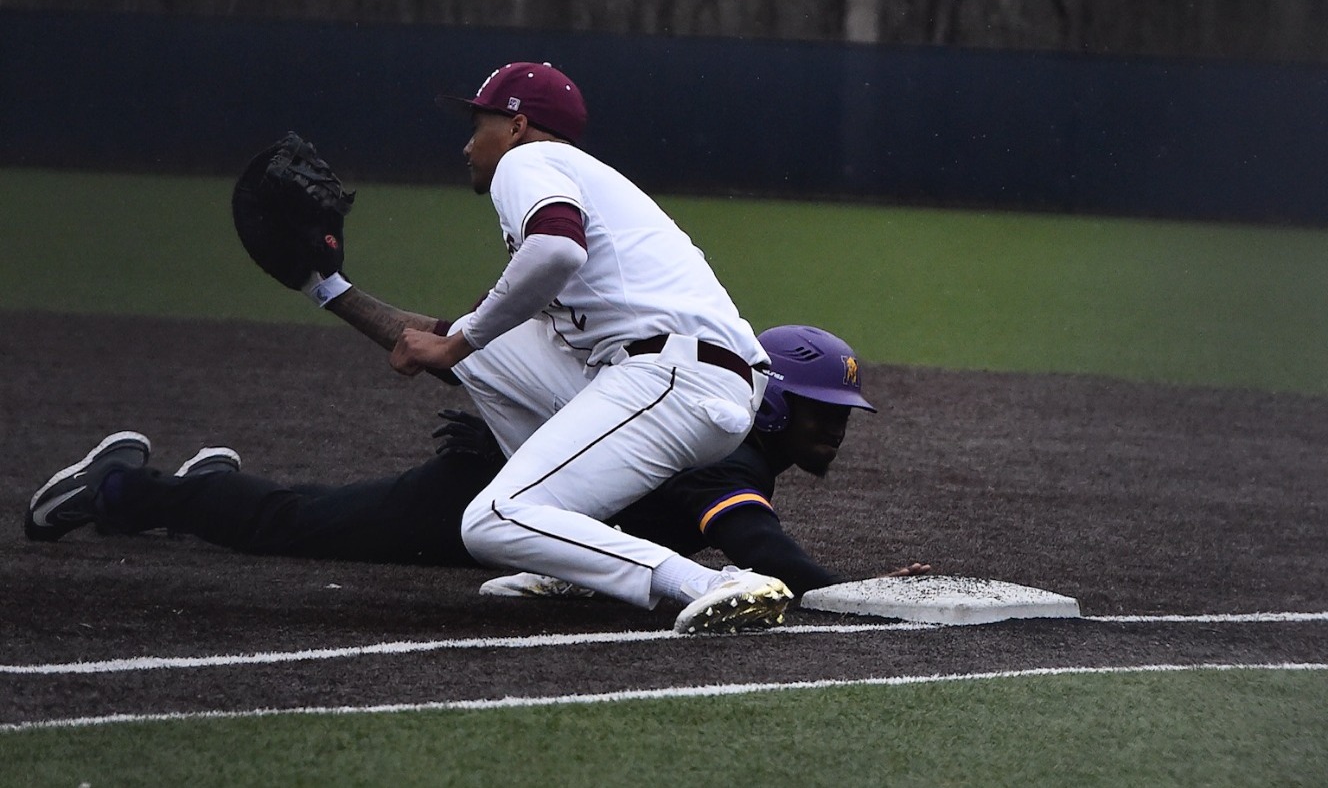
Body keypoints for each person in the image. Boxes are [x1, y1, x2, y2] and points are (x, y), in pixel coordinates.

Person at [24, 326, 928, 611]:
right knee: (298, 525)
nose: (834, 432)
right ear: (774, 402)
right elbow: (756, 544)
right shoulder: (729, 445)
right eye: (820, 413)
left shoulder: (725, 432)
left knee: (303, 514)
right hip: (483, 493)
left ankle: (198, 493)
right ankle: (121, 490)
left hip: (519, 490)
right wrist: (855, 590)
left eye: (839, 417)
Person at [367, 60, 786, 633]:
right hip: (694, 375)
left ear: (516, 125)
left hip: (673, 376)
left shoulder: (528, 160)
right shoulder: (575, 171)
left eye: (479, 124)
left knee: (490, 521)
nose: (468, 146)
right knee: (488, 355)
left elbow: (558, 250)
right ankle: (572, 552)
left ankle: (711, 582)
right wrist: (332, 290)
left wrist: (455, 343)